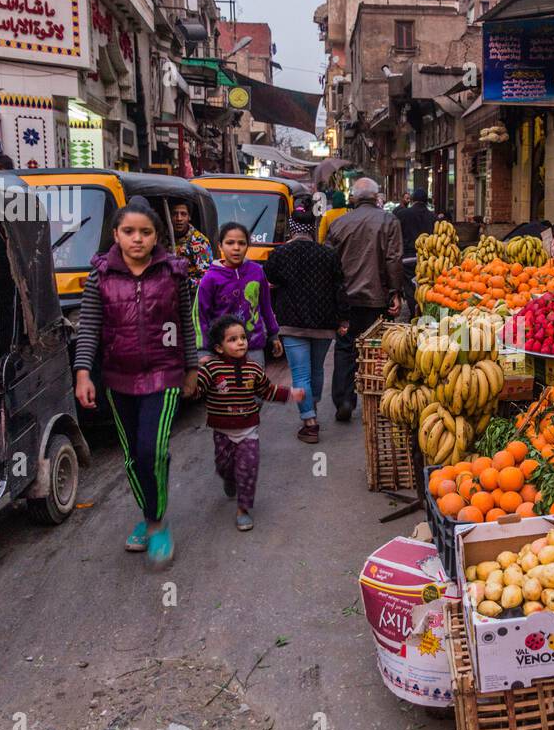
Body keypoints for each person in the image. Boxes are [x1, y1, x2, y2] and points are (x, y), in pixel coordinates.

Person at [74, 198, 198, 569]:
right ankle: (148, 513)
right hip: (118, 377)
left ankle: (157, 523)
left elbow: (185, 325)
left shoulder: (174, 273)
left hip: (165, 373)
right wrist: (83, 373)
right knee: (132, 456)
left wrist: (191, 368)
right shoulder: (101, 276)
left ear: (157, 236)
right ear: (115, 235)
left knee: (153, 450)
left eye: (145, 232)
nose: (137, 239)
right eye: (129, 232)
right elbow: (89, 328)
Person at [195, 315, 303, 531]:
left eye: (243, 337)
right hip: (222, 431)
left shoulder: (253, 369)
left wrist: (290, 393)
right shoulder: (211, 369)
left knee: (248, 469)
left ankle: (243, 509)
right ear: (218, 347)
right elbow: (197, 390)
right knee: (224, 467)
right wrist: (186, 382)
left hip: (248, 430)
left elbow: (267, 391)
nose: (241, 342)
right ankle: (229, 479)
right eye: (233, 339)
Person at [264, 207, 348, 443]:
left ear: (292, 228)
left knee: (300, 373)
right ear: (313, 228)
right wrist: (343, 319)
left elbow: (269, 280)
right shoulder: (328, 254)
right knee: (317, 370)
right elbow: (339, 288)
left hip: (292, 324)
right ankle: (313, 407)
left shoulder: (280, 254)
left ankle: (310, 423)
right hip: (323, 323)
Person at [325, 177, 402, 423]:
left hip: (346, 300)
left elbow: (329, 262)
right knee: (377, 349)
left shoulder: (339, 223)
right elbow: (393, 259)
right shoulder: (389, 221)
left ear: (354, 198)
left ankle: (344, 400)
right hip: (377, 298)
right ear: (377, 196)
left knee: (345, 348)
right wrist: (395, 292)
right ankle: (377, 400)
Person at [196, 222, 282, 367]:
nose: (236, 248)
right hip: (222, 350)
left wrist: (273, 335)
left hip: (254, 346)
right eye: (230, 243)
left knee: (254, 387)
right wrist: (204, 350)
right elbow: (200, 316)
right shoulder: (210, 279)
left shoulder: (257, 272)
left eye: (241, 243)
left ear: (247, 246)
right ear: (220, 246)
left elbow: (266, 306)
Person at [394, 187, 435, 319]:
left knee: (410, 289)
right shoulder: (433, 217)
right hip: (427, 260)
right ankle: (424, 313)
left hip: (407, 259)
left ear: (412, 200)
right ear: (426, 201)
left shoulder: (402, 215)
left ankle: (413, 313)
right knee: (426, 287)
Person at [169, 201, 213, 292]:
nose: (179, 218)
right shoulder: (161, 237)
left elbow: (208, 278)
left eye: (183, 214)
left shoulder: (200, 242)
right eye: (175, 214)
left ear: (189, 217)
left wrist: (186, 283)